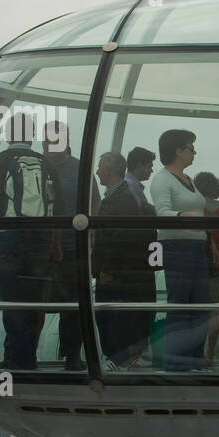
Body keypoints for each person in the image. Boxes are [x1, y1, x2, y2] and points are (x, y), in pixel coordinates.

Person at [0, 113, 64, 370]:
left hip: (8, 238)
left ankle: (17, 363)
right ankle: (25, 360)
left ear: (8, 134)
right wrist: (55, 243)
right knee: (32, 303)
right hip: (40, 240)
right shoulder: (47, 164)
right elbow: (59, 209)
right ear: (31, 136)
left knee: (12, 301)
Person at [149, 129, 210, 371]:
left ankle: (193, 358)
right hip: (177, 246)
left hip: (196, 245)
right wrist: (184, 215)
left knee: (199, 305)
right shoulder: (162, 179)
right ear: (177, 151)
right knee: (181, 304)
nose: (194, 152)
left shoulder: (187, 179)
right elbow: (161, 212)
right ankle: (176, 361)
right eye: (190, 148)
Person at [43, 121, 101, 370]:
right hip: (40, 248)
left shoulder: (80, 169)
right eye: (45, 141)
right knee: (35, 301)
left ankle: (72, 355)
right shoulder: (38, 167)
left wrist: (89, 240)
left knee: (73, 303)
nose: (47, 146)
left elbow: (95, 204)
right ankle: (18, 353)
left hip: (72, 247)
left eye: (52, 141)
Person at [93, 151, 156, 368]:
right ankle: (118, 359)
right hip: (116, 271)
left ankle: (116, 360)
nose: (97, 171)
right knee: (112, 317)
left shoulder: (121, 199)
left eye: (100, 167)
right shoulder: (123, 196)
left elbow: (119, 236)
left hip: (114, 273)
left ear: (109, 170)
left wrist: (106, 268)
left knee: (112, 317)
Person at [194, 171, 219, 365]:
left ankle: (197, 353)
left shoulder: (197, 208)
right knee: (215, 310)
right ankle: (210, 354)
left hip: (199, 262)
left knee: (198, 309)